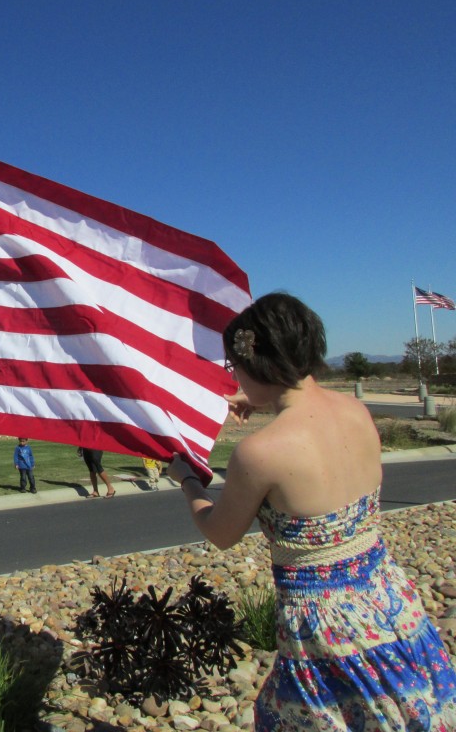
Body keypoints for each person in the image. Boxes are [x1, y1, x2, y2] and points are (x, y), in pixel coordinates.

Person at [168, 293, 456, 730]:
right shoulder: (356, 411)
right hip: (387, 595)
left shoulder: (260, 452)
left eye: (235, 366)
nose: (236, 377)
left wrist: (187, 480)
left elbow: (220, 532)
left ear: (255, 362)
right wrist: (263, 401)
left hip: (323, 624)